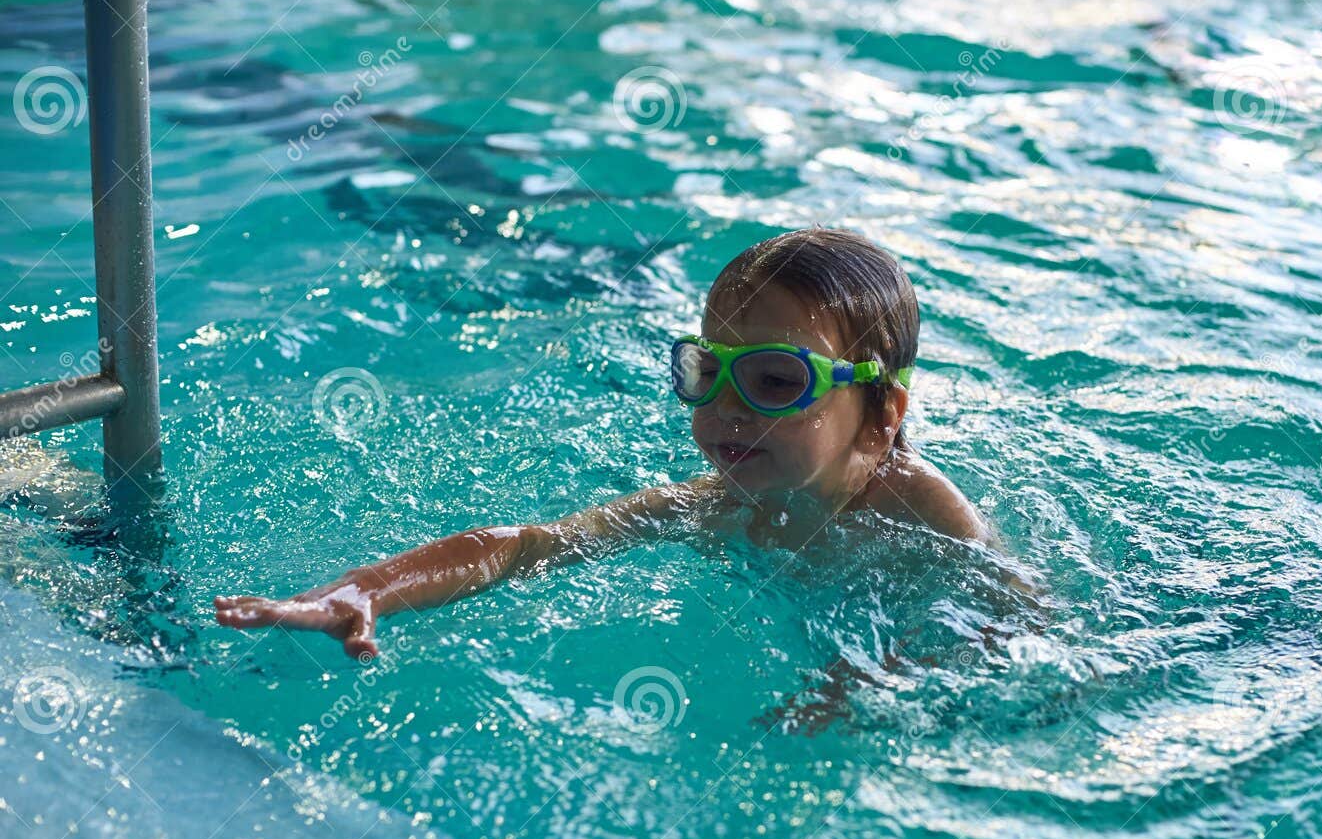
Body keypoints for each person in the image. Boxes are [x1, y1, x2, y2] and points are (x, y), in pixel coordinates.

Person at [215, 227, 1015, 661]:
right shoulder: (719, 504)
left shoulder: (925, 512)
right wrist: (368, 588)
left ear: (881, 415)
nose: (728, 407)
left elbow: (1015, 627)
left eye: (776, 381)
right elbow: (525, 548)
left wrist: (866, 680)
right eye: (707, 370)